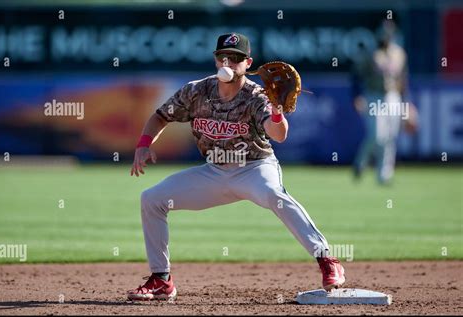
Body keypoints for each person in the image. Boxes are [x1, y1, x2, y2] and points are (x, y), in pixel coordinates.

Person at [127, 33, 345, 301]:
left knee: (275, 196)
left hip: (254, 168)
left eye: (236, 58)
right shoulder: (197, 91)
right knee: (152, 199)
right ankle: (161, 280)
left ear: (248, 62)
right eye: (222, 56)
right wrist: (144, 144)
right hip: (214, 171)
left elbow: (278, 135)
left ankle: (327, 260)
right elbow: (161, 116)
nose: (228, 62)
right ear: (216, 59)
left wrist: (277, 112)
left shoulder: (256, 95)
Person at [352, 21, 417, 184]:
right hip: (374, 96)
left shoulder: (399, 53)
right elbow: (357, 76)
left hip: (393, 97)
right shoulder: (370, 53)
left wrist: (407, 104)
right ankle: (360, 163)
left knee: (391, 135)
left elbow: (403, 80)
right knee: (376, 135)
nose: (385, 38)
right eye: (383, 35)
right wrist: (357, 96)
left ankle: (384, 174)